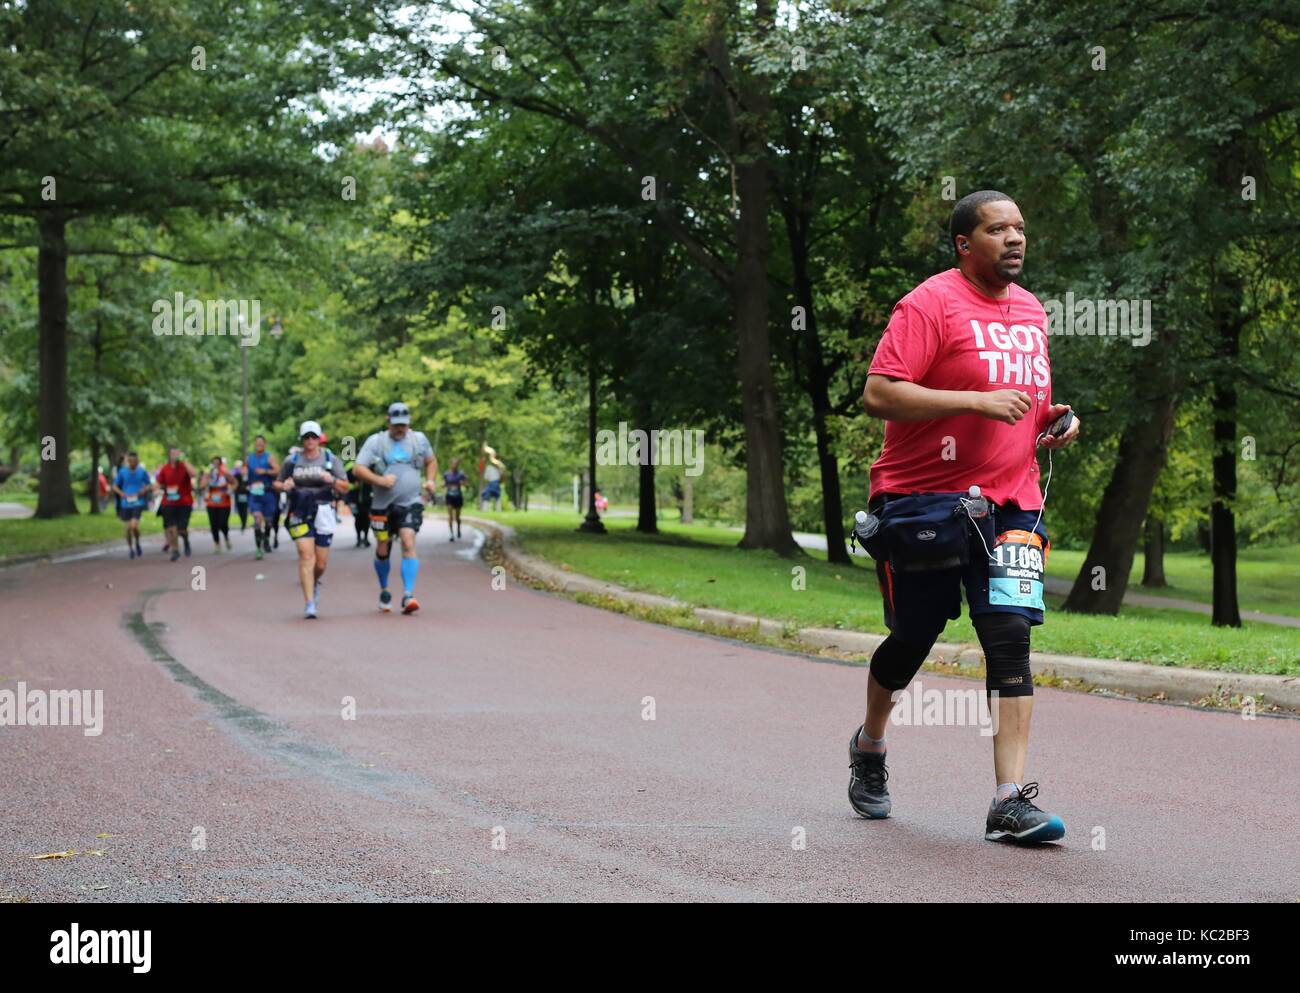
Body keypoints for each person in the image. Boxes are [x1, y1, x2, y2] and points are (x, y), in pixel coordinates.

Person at [851, 190, 1081, 845]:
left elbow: (1026, 402)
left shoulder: (1032, 310)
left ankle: (1009, 799)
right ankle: (870, 746)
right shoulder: (930, 303)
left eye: (1020, 227)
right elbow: (879, 392)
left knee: (1009, 634)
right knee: (915, 633)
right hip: (925, 499)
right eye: (997, 228)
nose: (1014, 238)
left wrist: (1054, 421)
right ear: (963, 243)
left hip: (1013, 502)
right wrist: (975, 402)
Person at [352, 402, 437, 614]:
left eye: (404, 425)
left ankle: (408, 594)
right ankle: (384, 589)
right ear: (388, 421)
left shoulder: (419, 440)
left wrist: (431, 480)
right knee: (383, 547)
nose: (401, 428)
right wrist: (379, 481)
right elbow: (357, 469)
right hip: (381, 506)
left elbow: (431, 461)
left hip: (411, 502)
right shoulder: (376, 442)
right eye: (397, 424)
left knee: (408, 541)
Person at [275, 421, 348, 619]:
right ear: (302, 439)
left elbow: (345, 486)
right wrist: (285, 486)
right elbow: (277, 482)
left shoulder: (330, 458)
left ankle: (314, 583)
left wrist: (331, 480)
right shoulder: (292, 460)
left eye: (313, 437)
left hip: (324, 509)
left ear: (319, 438)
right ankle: (309, 603)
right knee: (306, 556)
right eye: (306, 437)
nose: (310, 441)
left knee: (321, 563)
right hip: (299, 510)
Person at [155, 448, 197, 562]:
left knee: (181, 530)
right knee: (171, 528)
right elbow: (158, 483)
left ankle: (186, 541)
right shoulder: (165, 468)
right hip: (168, 502)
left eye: (178, 453)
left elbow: (194, 474)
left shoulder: (184, 466)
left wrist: (185, 461)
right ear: (169, 455)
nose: (175, 455)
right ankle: (175, 550)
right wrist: (157, 489)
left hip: (184, 502)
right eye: (173, 453)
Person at [245, 435, 280, 560]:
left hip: (268, 493)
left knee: (269, 522)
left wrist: (265, 471)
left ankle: (266, 538)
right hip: (254, 493)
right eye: (257, 443)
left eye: (261, 443)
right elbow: (246, 474)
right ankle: (258, 548)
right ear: (254, 444)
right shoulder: (250, 458)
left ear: (265, 444)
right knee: (257, 520)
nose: (259, 445)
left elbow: (278, 471)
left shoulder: (269, 457)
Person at [112, 452, 152, 559]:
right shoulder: (122, 472)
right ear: (128, 461)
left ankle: (137, 542)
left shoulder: (142, 472)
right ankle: (131, 548)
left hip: (138, 502)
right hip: (125, 503)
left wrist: (144, 489)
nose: (133, 463)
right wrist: (121, 493)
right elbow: (114, 486)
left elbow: (149, 485)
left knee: (134, 526)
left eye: (135, 461)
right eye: (131, 461)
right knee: (127, 529)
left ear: (137, 461)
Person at [199, 456, 235, 552]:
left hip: (224, 503)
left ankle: (226, 537)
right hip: (211, 503)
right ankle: (217, 543)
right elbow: (202, 486)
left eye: (217, 463)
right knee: (213, 524)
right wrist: (207, 478)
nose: (215, 465)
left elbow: (235, 483)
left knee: (223, 523)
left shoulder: (225, 474)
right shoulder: (208, 474)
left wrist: (230, 490)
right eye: (213, 463)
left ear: (220, 464)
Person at [346, 463, 373, 547]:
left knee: (366, 518)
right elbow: (344, 482)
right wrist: (353, 486)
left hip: (367, 499)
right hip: (354, 499)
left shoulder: (371, 465)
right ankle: (358, 538)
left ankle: (365, 538)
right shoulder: (349, 466)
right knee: (357, 518)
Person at [442, 457, 467, 541]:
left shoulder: (461, 474)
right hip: (449, 496)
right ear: (450, 464)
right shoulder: (446, 474)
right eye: (453, 464)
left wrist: (463, 483)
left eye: (456, 464)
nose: (454, 465)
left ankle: (458, 530)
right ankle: (451, 534)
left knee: (457, 517)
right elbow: (444, 483)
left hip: (458, 496)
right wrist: (443, 485)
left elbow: (466, 484)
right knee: (450, 516)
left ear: (458, 465)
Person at [479, 445, 505, 512]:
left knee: (497, 497)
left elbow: (502, 478)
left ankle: (498, 510)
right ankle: (485, 510)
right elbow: (486, 477)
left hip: (496, 483)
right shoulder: (489, 467)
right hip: (491, 483)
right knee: (486, 496)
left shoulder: (500, 468)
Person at [232, 459, 250, 532]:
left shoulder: (249, 476)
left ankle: (244, 523)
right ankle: (242, 522)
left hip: (246, 494)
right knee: (240, 509)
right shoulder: (237, 475)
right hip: (239, 494)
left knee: (244, 509)